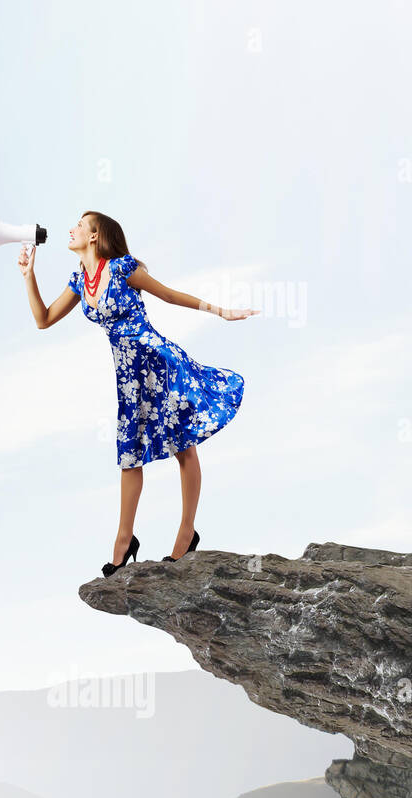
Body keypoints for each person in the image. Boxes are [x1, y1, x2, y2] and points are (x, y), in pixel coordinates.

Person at [18, 210, 257, 578]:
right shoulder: (81, 280)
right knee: (129, 455)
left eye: (79, 225)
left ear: (95, 236)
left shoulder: (121, 268)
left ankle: (185, 532)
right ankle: (124, 540)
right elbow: (43, 319)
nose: (71, 229)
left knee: (183, 445)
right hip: (130, 380)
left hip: (160, 364)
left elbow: (169, 294)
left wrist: (221, 311)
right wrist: (28, 275)